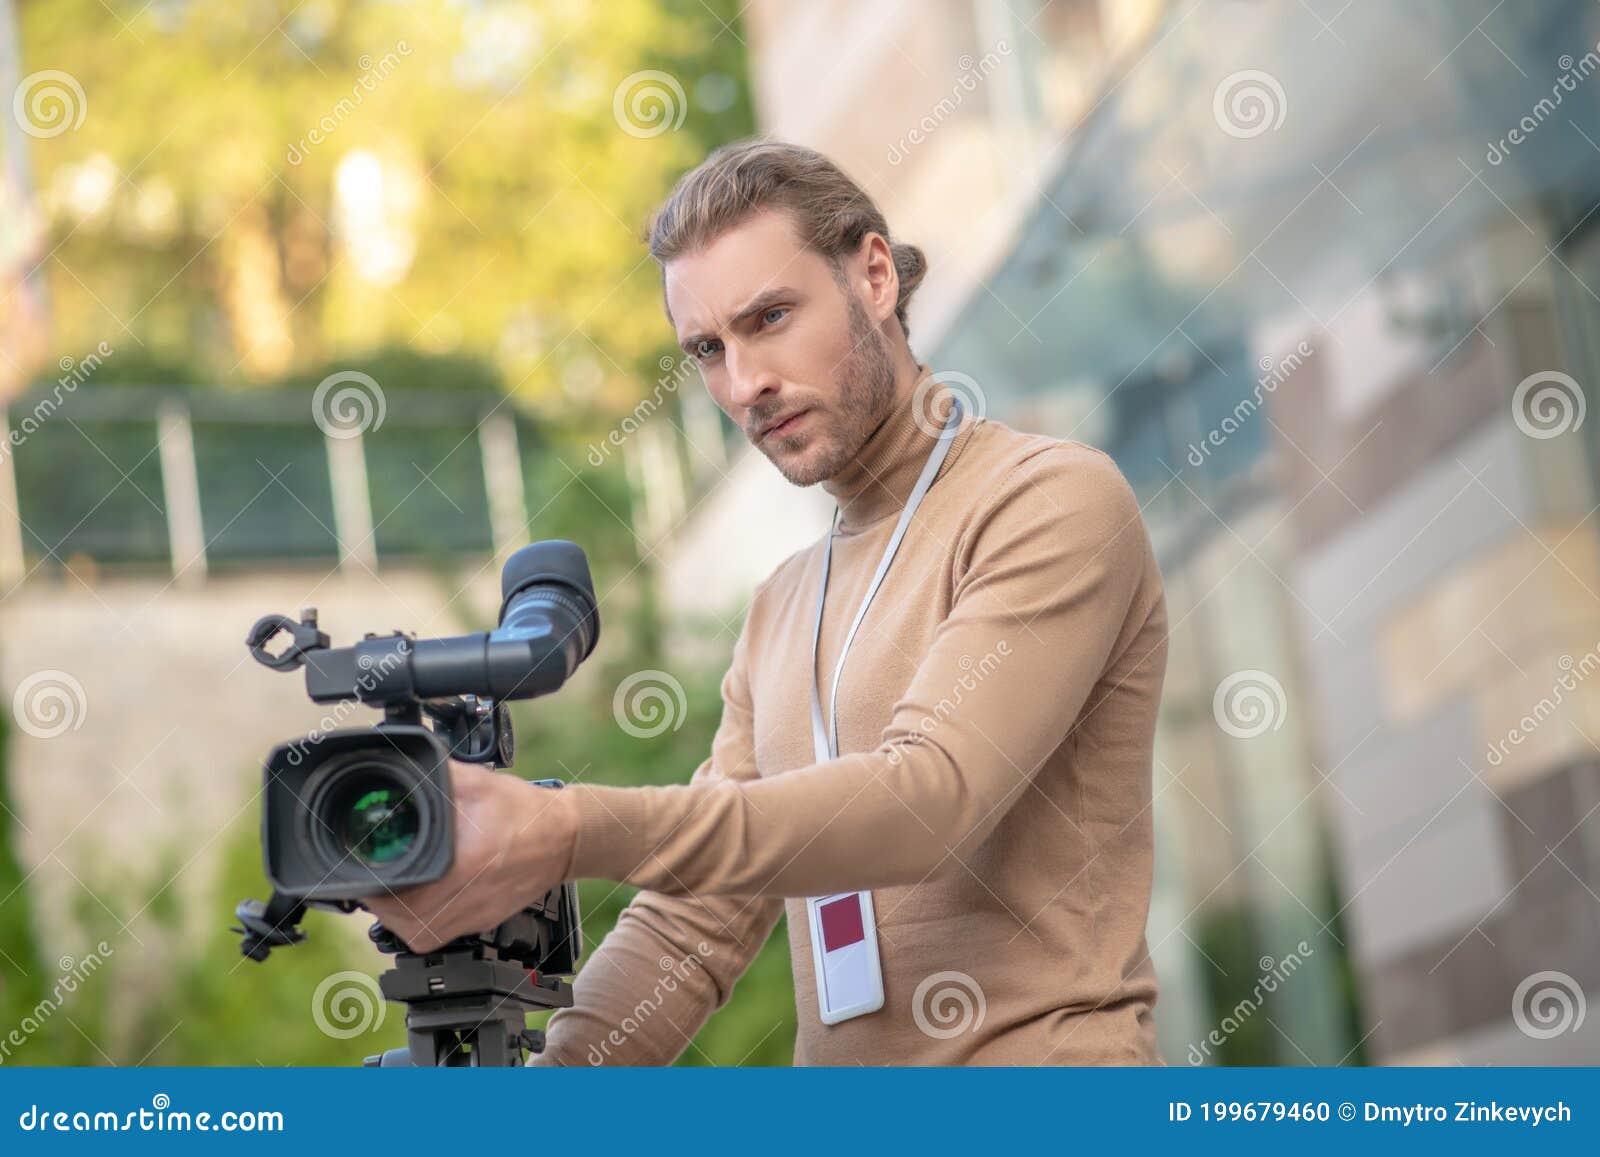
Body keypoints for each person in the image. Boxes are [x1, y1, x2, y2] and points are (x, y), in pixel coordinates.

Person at [364, 139, 1169, 1065]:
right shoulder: (782, 605)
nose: (745, 384)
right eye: (709, 349)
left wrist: (571, 827)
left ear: (874, 276)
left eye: (771, 317)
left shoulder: (1049, 499)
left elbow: (930, 801)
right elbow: (692, 927)